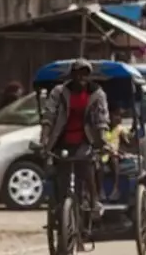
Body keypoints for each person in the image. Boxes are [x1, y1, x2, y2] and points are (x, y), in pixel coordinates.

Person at [39, 59, 110, 216]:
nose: (81, 78)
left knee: (87, 168)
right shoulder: (59, 92)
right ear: (72, 75)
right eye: (77, 74)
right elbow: (49, 115)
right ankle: (61, 206)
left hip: (86, 139)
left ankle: (93, 202)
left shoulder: (97, 93)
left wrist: (102, 140)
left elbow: (101, 119)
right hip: (62, 139)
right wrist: (44, 138)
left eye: (85, 75)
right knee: (60, 174)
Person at [102, 106, 132, 200]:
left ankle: (115, 189)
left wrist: (128, 137)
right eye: (115, 116)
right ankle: (100, 190)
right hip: (103, 153)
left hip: (114, 154)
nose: (118, 118)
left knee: (114, 161)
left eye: (119, 116)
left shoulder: (120, 129)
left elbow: (128, 141)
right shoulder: (103, 129)